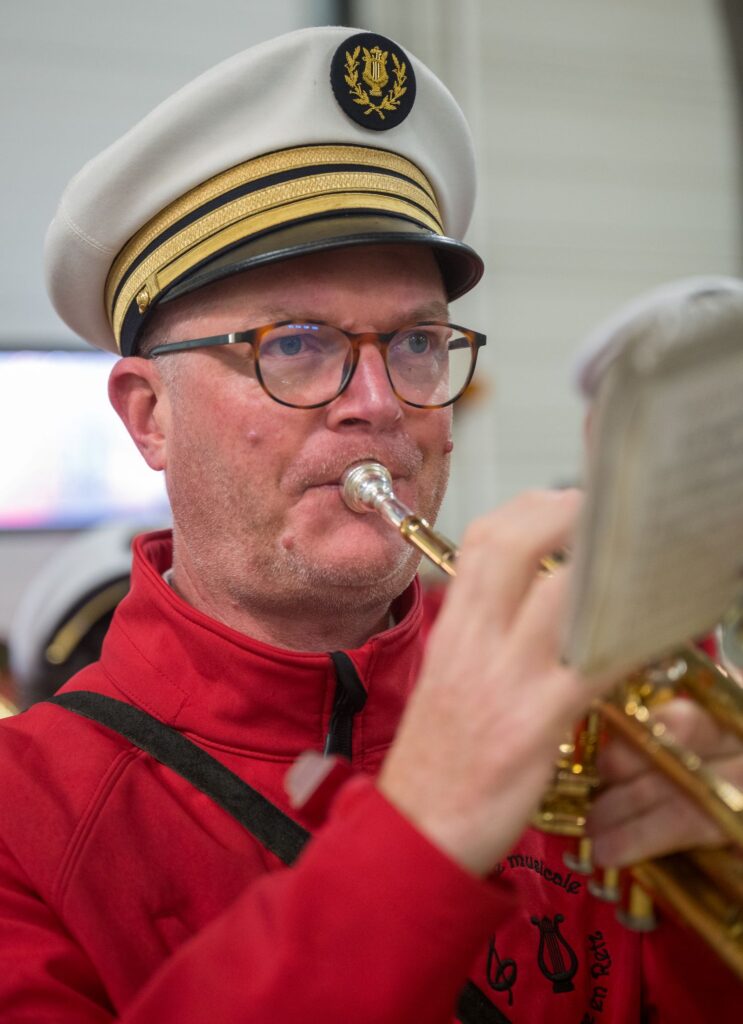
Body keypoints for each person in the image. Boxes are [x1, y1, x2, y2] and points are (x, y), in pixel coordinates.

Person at [0, 25, 739, 1023]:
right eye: (295, 344)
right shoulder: (24, 816)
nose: (379, 401)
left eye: (416, 342)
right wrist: (420, 833)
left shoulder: (580, 693)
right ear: (148, 416)